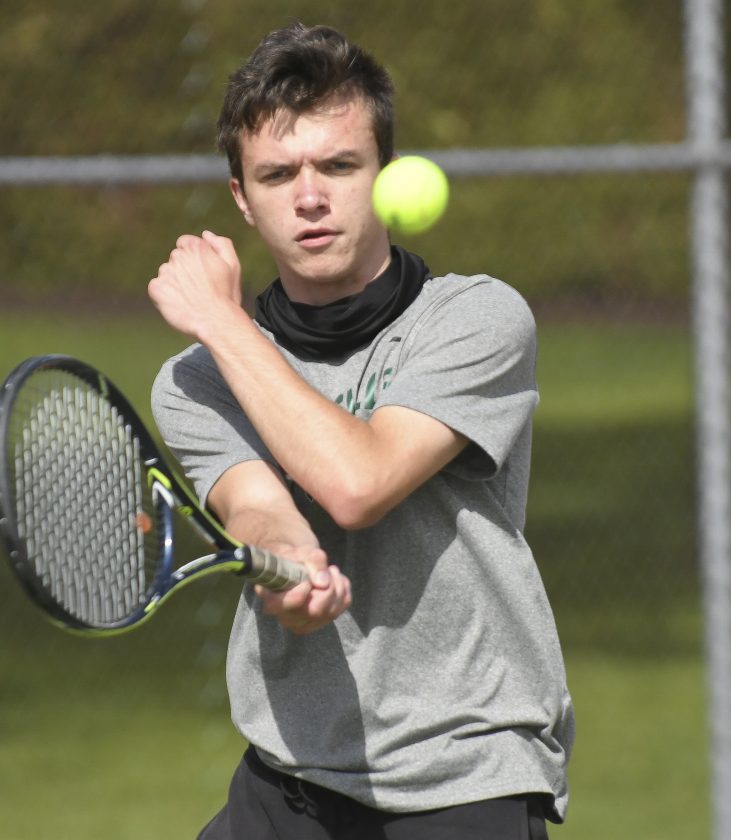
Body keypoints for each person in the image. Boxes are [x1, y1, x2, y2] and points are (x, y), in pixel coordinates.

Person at [149, 22, 574, 840]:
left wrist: (219, 320)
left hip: (464, 770)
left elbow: (359, 482)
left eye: (338, 166)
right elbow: (255, 509)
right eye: (277, 174)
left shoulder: (477, 319)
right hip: (290, 776)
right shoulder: (195, 382)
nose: (309, 197)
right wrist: (291, 575)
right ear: (241, 196)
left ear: (382, 175)